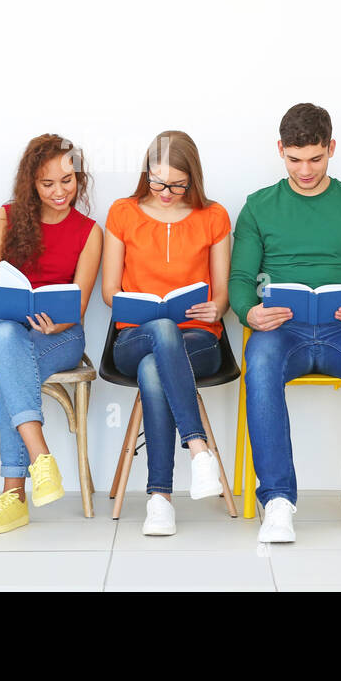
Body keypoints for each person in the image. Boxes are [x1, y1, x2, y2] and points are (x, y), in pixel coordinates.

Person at [230, 103, 341, 543]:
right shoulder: (257, 207)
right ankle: (278, 501)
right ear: (280, 151)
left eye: (316, 158)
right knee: (260, 366)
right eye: (294, 159)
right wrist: (250, 312)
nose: (305, 170)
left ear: (331, 149)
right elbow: (241, 280)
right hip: (281, 330)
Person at [0, 135, 102, 534]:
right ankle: (40, 456)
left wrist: (59, 321)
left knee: (16, 366)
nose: (60, 192)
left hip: (59, 338)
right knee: (10, 339)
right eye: (48, 184)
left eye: (68, 180)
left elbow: (78, 305)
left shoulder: (90, 232)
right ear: (31, 184)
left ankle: (13, 496)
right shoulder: (4, 219)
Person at [102, 131, 232, 536]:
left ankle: (159, 499)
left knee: (155, 371)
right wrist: (144, 306)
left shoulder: (214, 216)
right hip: (133, 338)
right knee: (159, 330)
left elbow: (223, 294)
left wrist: (217, 306)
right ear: (146, 174)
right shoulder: (122, 212)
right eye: (158, 181)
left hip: (200, 341)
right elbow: (109, 293)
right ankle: (199, 449)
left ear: (193, 178)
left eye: (178, 184)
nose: (166, 192)